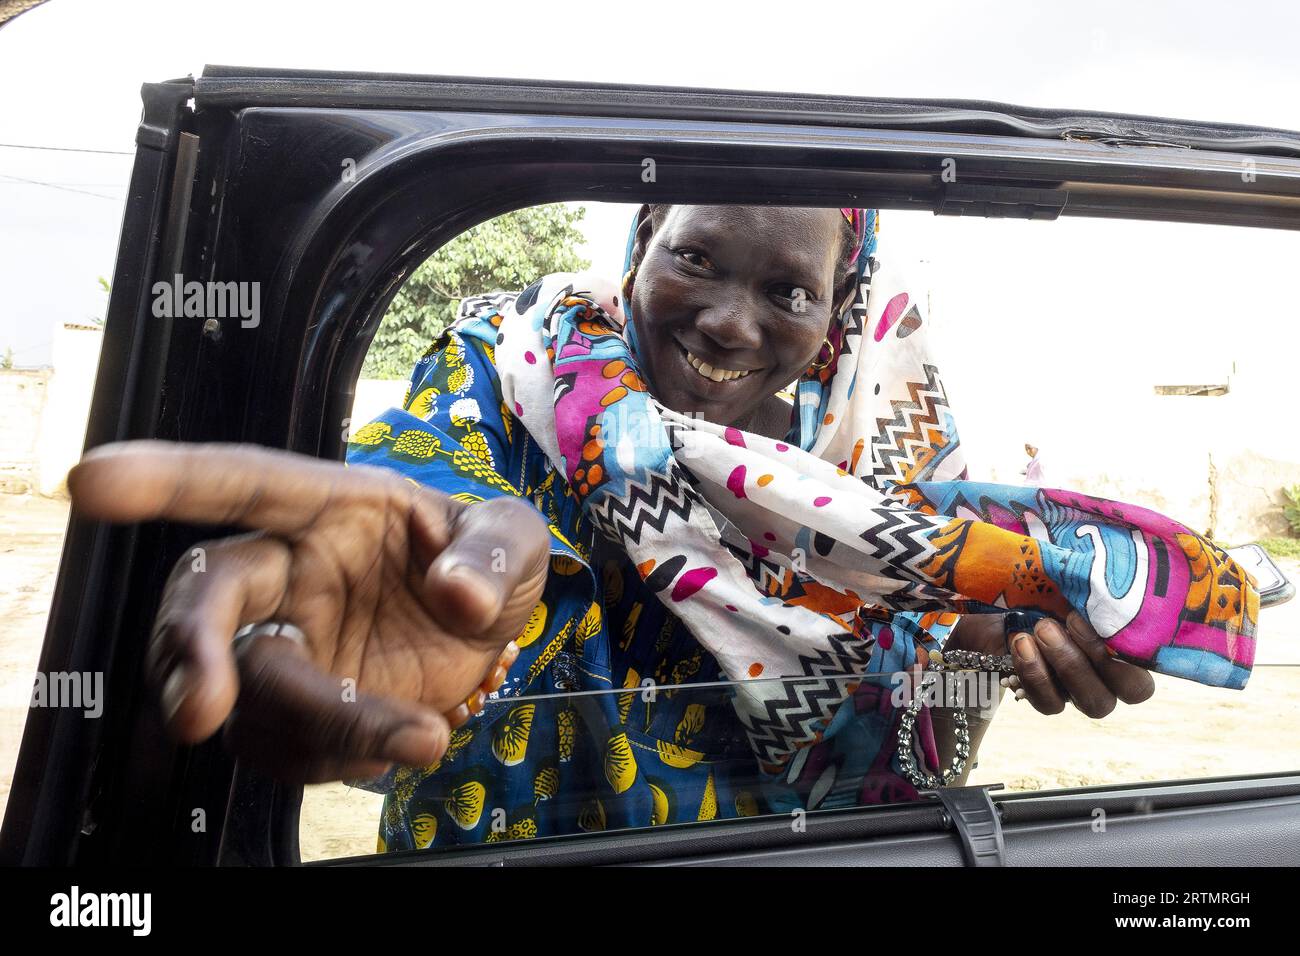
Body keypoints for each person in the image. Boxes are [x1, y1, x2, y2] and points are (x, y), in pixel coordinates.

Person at [68, 205, 1259, 851]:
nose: (733, 323)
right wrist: (356, 621)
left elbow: (928, 693)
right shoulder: (514, 377)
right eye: (695, 259)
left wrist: (990, 648)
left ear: (838, 311)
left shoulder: (891, 461)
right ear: (639, 245)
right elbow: (416, 499)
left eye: (788, 290)